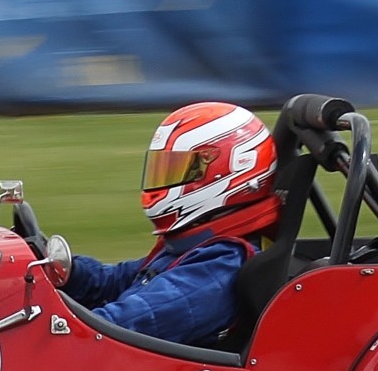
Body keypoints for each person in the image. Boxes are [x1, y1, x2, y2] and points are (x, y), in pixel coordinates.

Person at [63, 102, 281, 349]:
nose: (164, 179)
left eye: (179, 170)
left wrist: (55, 324)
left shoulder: (218, 268)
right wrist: (64, 269)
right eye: (164, 169)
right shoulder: (194, 245)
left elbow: (124, 324)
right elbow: (116, 282)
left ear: (234, 170)